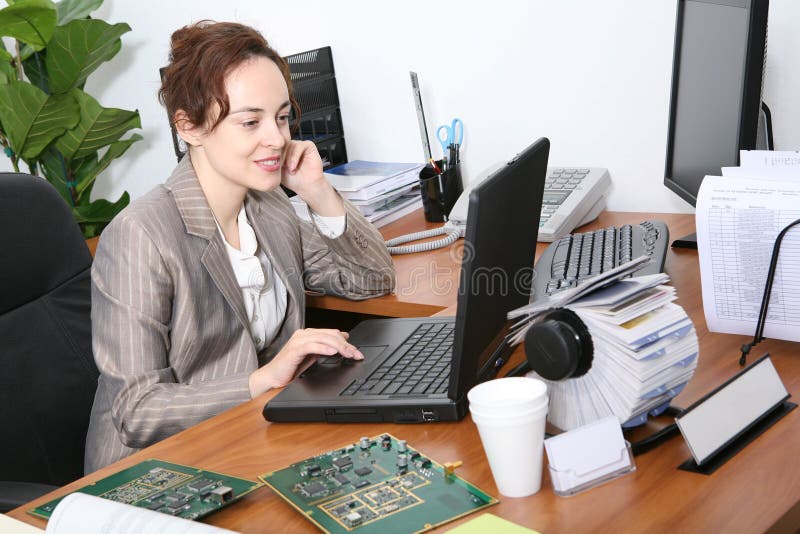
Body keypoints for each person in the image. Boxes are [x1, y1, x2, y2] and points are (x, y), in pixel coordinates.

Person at [84, 21, 396, 473]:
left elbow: (371, 279)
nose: (277, 137)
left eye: (283, 117)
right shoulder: (140, 236)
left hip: (248, 440)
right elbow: (137, 411)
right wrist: (261, 380)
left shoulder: (268, 206)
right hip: (156, 473)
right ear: (190, 127)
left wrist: (318, 192)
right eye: (251, 121)